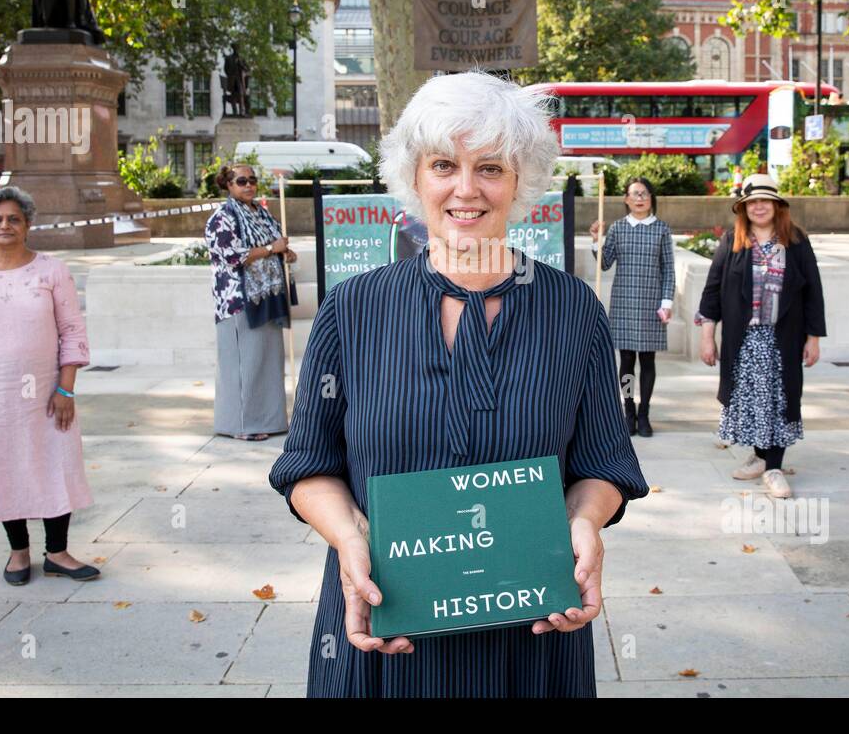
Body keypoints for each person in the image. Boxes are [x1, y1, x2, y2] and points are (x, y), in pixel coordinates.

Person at [269, 71, 649, 697]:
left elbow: (603, 464)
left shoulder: (574, 310)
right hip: (385, 630)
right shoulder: (353, 309)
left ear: (521, 180)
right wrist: (348, 539)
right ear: (414, 177)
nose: (465, 190)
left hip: (531, 639)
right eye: (444, 164)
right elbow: (310, 466)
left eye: (491, 168)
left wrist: (584, 525)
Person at [0, 186, 98, 584]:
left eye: (13, 219)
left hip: (46, 394)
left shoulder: (51, 271)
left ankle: (58, 553)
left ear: (28, 224)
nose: (4, 226)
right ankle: (18, 552)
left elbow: (72, 331)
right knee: (2, 466)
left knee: (53, 463)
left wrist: (66, 389)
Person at [695, 174, 826, 499]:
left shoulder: (795, 241)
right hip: (745, 340)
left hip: (784, 337)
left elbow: (813, 291)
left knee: (780, 400)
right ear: (744, 208)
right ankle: (761, 454)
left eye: (765, 201)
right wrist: (707, 335)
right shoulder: (733, 241)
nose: (759, 207)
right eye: (752, 202)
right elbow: (712, 290)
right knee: (752, 402)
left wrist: (814, 337)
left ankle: (774, 468)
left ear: (777, 205)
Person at [205, 163, 297, 441]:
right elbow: (233, 256)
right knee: (242, 365)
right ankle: (242, 425)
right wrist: (272, 249)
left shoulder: (263, 213)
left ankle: (269, 420)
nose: (248, 185)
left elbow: (274, 246)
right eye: (241, 180)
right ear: (228, 185)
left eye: (252, 180)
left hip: (268, 297)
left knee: (266, 363)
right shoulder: (222, 218)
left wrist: (285, 253)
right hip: (238, 301)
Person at [588, 177, 675, 437]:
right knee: (626, 361)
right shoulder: (617, 228)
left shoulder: (661, 229)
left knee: (648, 360)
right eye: (635, 194)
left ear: (651, 198)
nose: (640, 198)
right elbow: (604, 263)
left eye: (644, 193)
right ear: (626, 199)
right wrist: (596, 240)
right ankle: (628, 412)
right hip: (625, 302)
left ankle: (645, 412)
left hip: (652, 303)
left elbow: (668, 269)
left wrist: (667, 301)